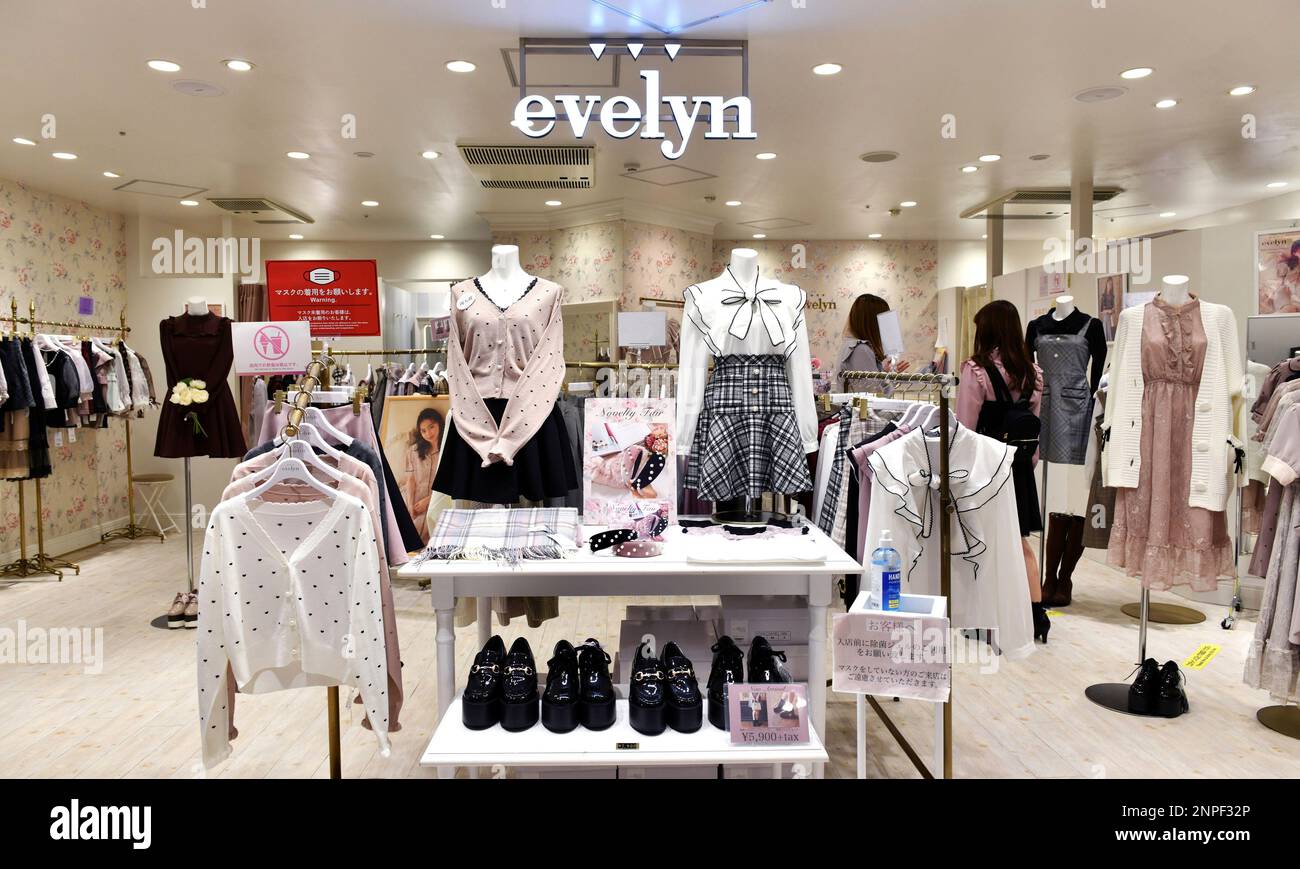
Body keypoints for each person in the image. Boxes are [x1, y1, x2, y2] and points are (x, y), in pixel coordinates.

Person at [955, 300, 1049, 643]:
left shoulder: (975, 370)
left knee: (982, 543)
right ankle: (1036, 616)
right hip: (1020, 467)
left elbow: (964, 427)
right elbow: (1034, 424)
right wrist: (1027, 462)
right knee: (1021, 543)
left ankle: (985, 617)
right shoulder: (1032, 372)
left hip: (985, 465)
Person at [836, 293, 909, 391]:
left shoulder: (850, 345)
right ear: (874, 322)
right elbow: (874, 395)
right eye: (884, 319)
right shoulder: (861, 350)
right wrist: (891, 379)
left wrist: (885, 373)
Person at [403, 407, 443, 542]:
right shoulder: (413, 451)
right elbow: (410, 480)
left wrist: (430, 500)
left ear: (440, 424)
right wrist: (409, 506)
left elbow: (451, 482)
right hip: (415, 503)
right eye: (423, 430)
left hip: (438, 504)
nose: (428, 433)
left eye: (431, 427)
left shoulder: (447, 451)